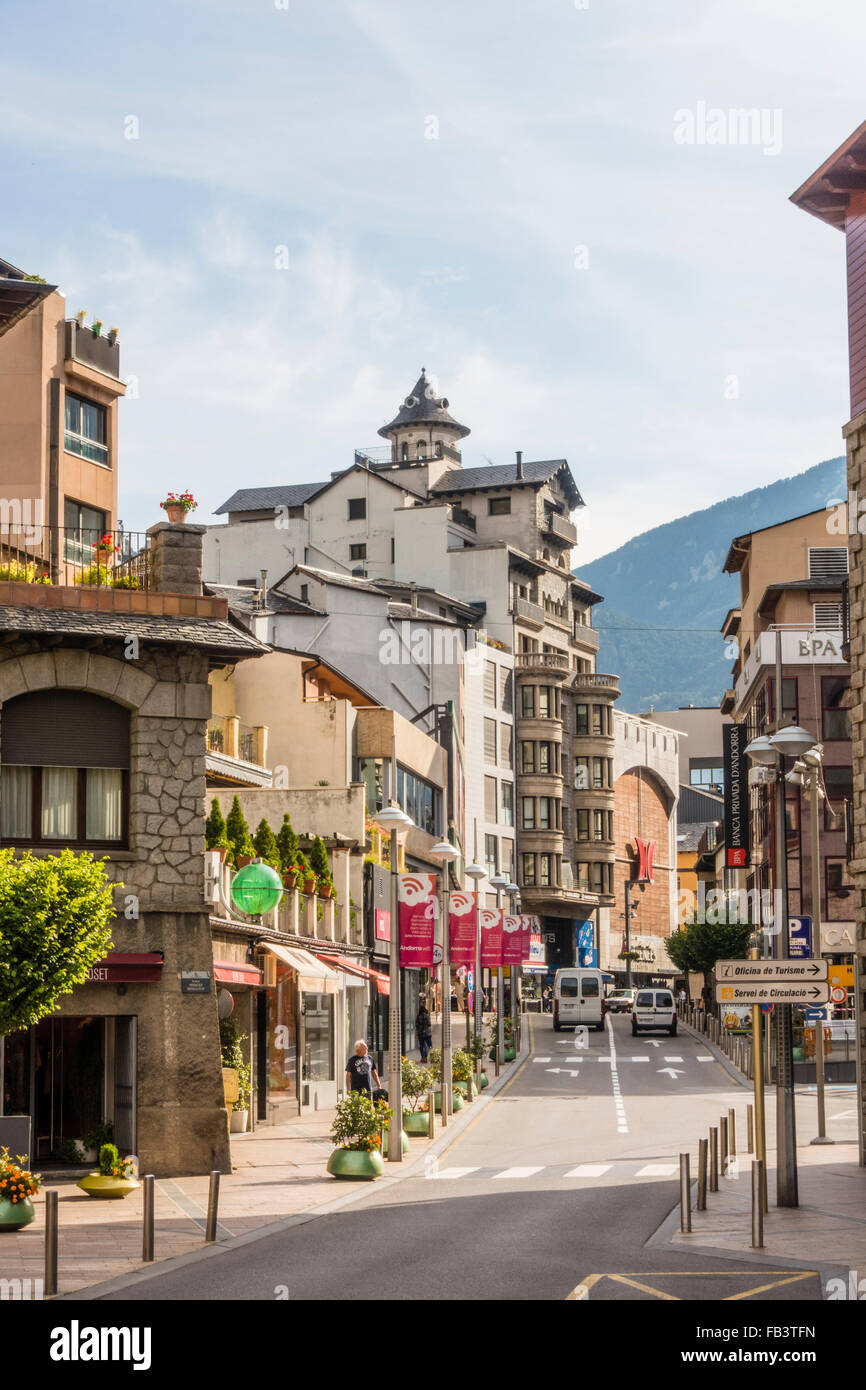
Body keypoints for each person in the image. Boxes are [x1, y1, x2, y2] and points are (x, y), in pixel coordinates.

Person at [416, 997, 433, 1063]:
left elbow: (416, 1025)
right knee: (430, 1045)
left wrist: (417, 1032)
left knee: (421, 1046)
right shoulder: (427, 1016)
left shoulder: (418, 1016)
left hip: (420, 1033)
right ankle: (432, 1057)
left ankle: (423, 1058)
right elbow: (429, 1024)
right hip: (427, 1033)